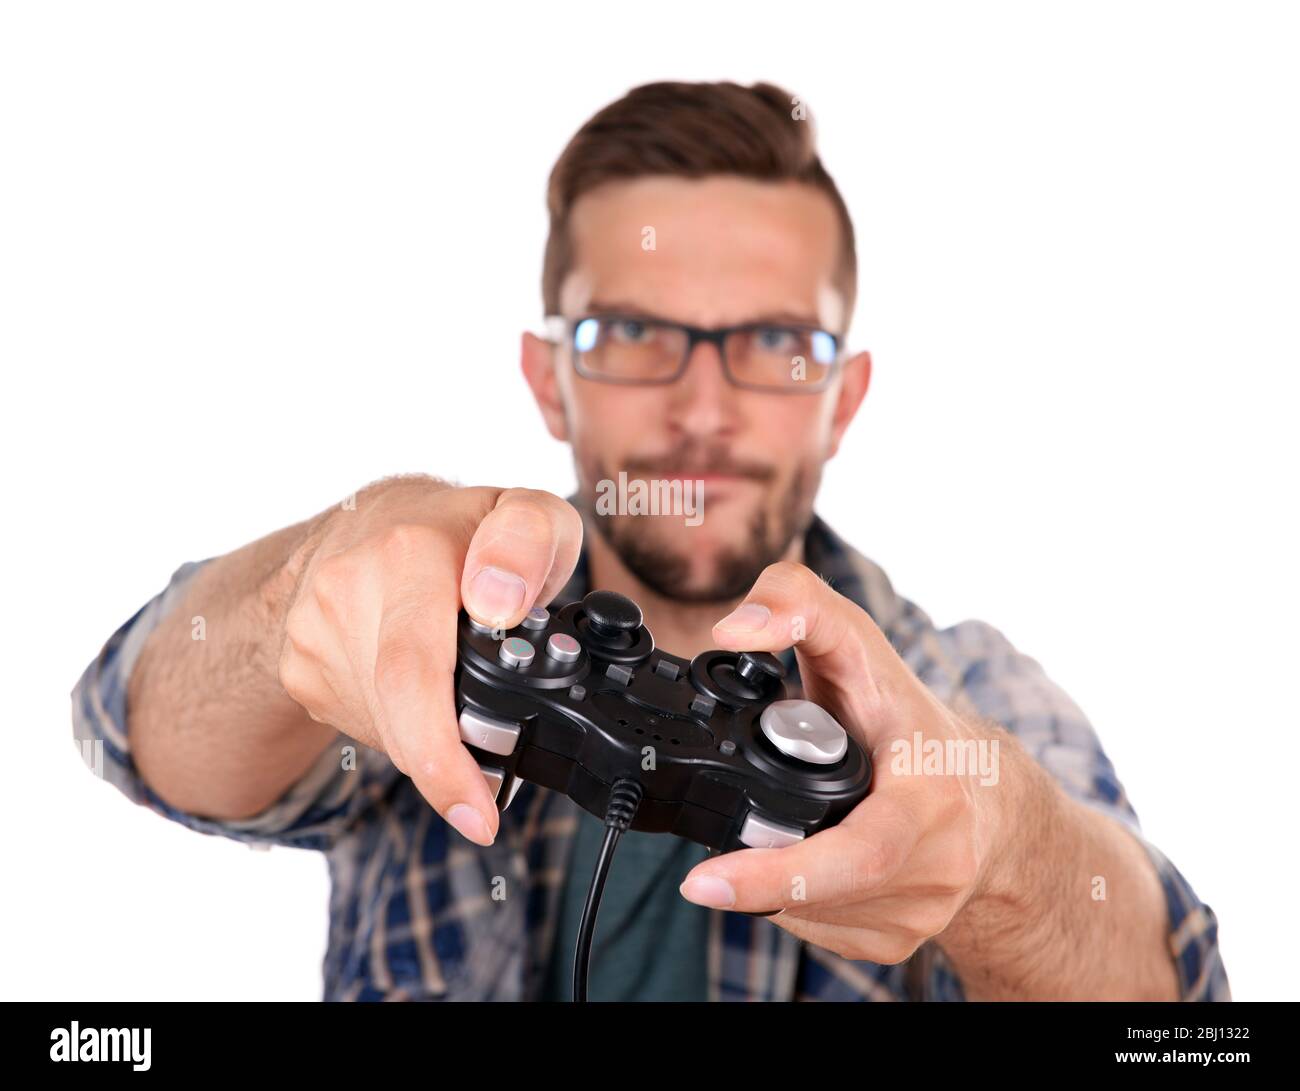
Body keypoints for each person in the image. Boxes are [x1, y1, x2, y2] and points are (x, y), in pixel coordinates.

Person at [71, 80, 1229, 1002]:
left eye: (774, 340)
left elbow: (1180, 1014)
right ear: (547, 378)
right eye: (630, 331)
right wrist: (301, 590)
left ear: (844, 395)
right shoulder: (425, 627)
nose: (704, 408)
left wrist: (1009, 847)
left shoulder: (963, 690)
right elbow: (134, 733)